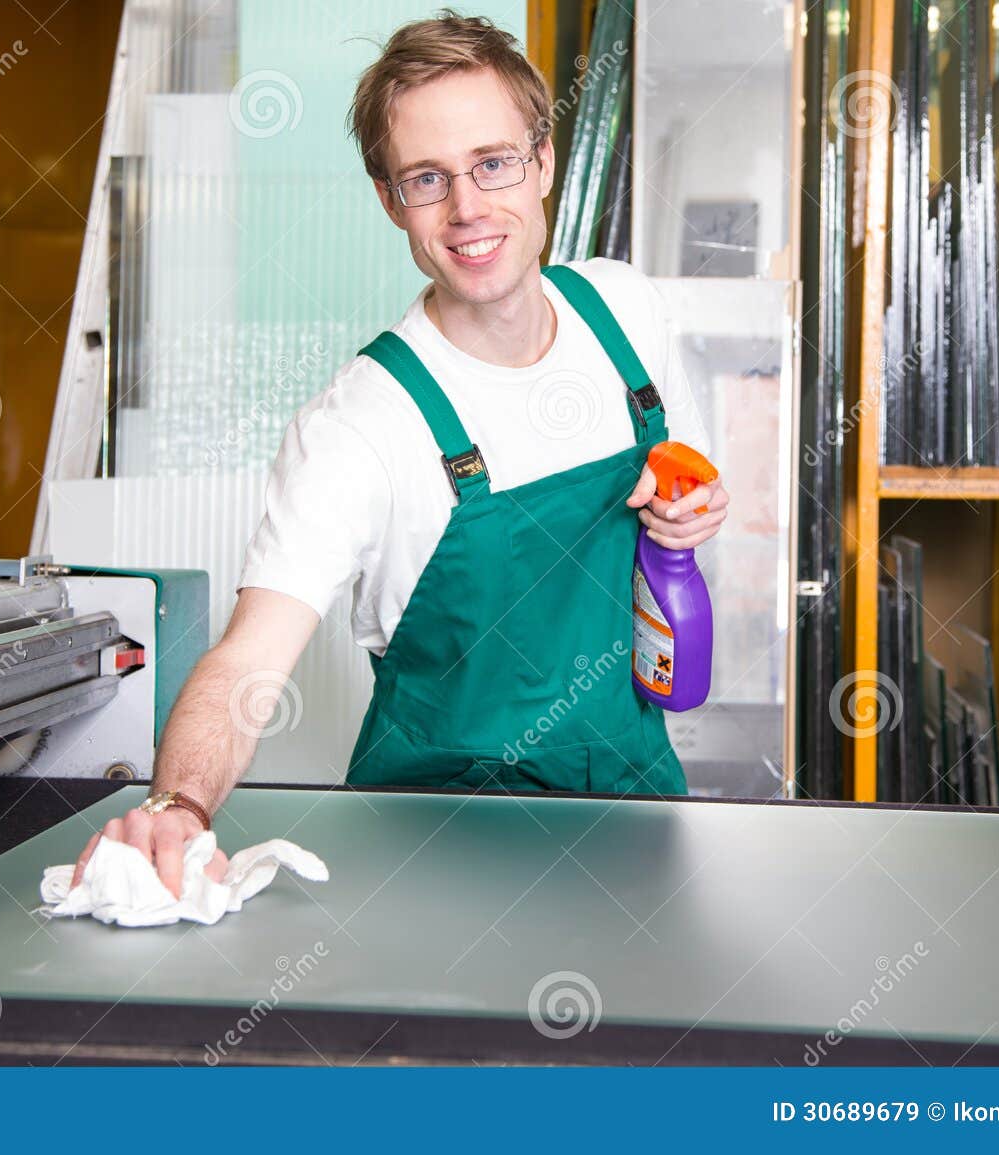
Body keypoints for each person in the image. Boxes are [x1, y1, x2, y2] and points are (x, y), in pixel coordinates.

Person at [71, 10, 729, 897]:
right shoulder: (360, 426)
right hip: (436, 859)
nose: (468, 209)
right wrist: (179, 806)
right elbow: (246, 662)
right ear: (390, 201)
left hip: (635, 811)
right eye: (428, 179)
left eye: (493, 163)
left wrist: (688, 519)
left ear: (543, 162)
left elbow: (685, 489)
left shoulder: (625, 313)